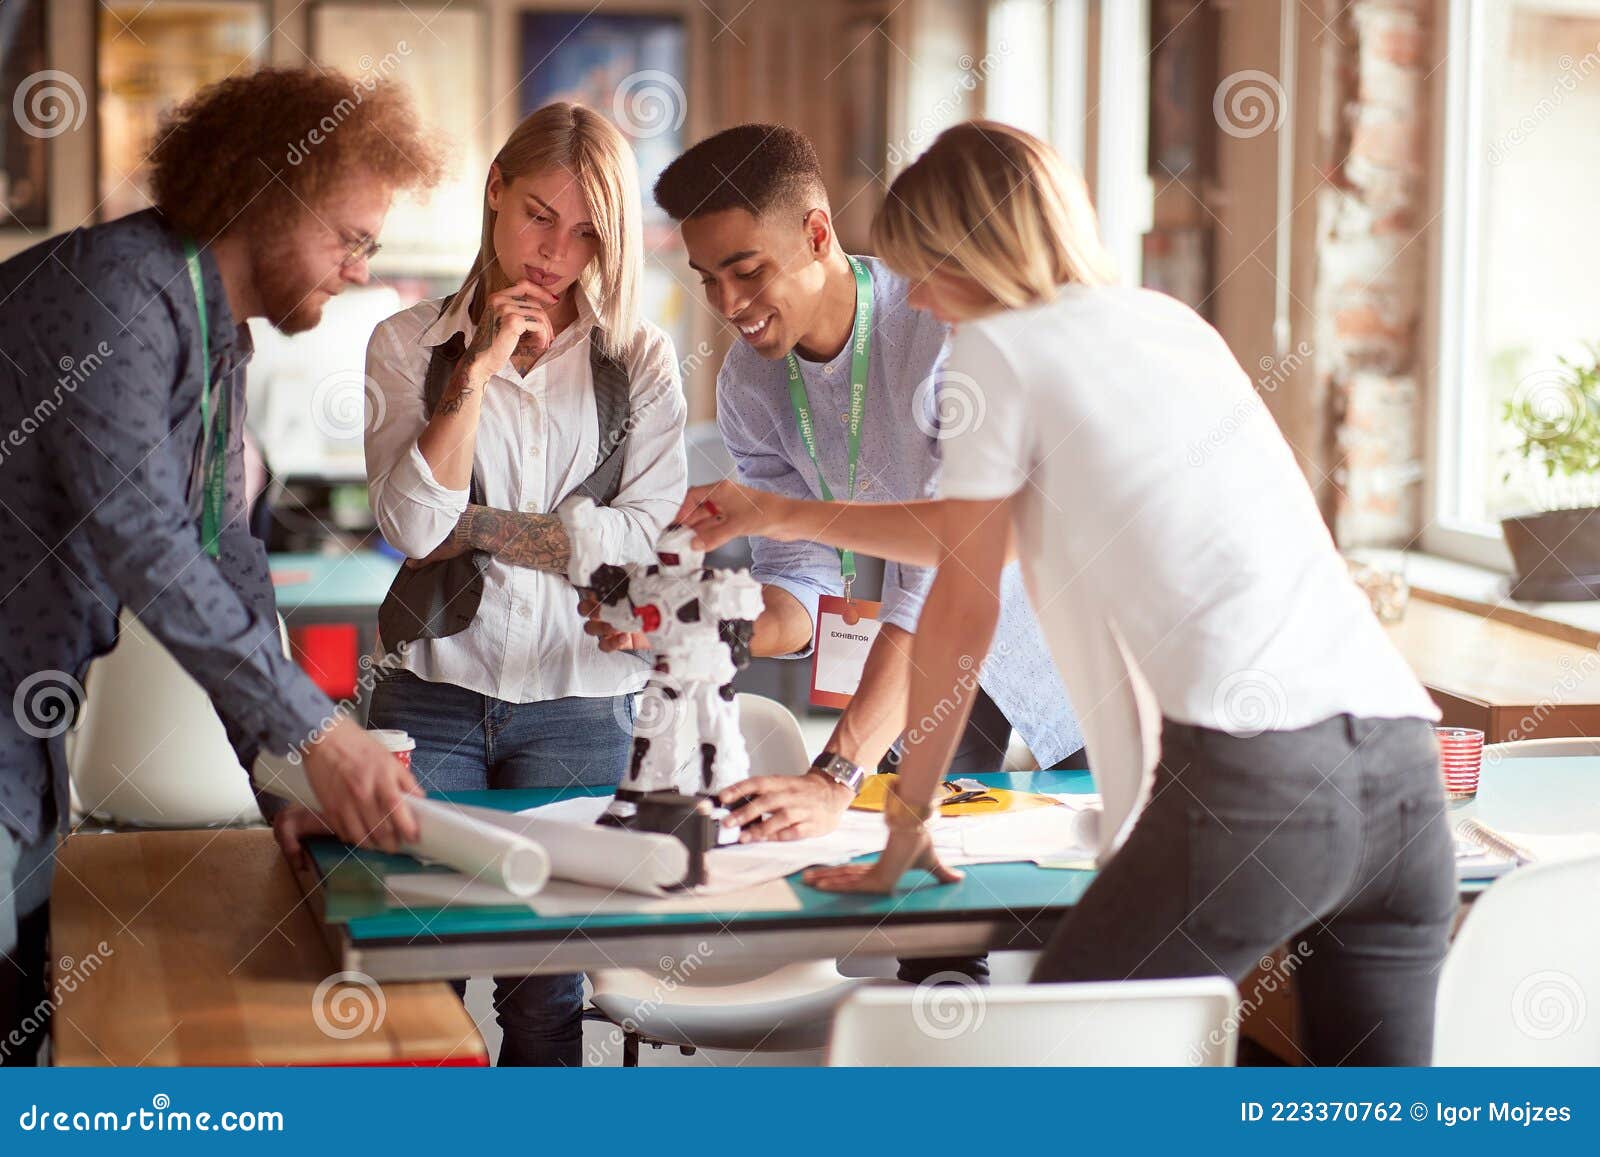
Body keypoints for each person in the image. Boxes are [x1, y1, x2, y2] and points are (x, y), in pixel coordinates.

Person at [677, 120, 1454, 1065]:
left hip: (1262, 785)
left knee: (1058, 1063)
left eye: (928, 268)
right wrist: (784, 516)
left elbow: (961, 603)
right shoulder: (1169, 322)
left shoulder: (999, 353)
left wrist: (902, 824)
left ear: (981, 253)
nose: (916, 296)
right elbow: (966, 530)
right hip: (1407, 776)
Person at [0, 68, 442, 1063]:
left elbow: (225, 549)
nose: (360, 269)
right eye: (351, 236)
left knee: (30, 1015)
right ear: (263, 194)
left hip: (26, 732)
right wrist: (320, 733)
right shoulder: (113, 295)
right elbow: (144, 538)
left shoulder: (213, 331)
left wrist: (286, 779)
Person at [271, 102, 688, 1066]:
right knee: (420, 982)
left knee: (547, 996)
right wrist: (479, 369)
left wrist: (485, 529)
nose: (557, 252)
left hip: (581, 703)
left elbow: (636, 550)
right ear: (495, 187)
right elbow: (414, 529)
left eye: (588, 233)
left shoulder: (641, 358)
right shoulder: (407, 342)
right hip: (430, 698)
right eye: (540, 213)